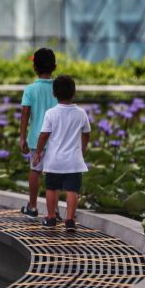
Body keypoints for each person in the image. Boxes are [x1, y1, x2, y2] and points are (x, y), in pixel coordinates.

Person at [32, 75, 91, 232]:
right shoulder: (81, 113)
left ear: (54, 94)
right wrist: (83, 148)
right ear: (74, 93)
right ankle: (70, 220)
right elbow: (86, 133)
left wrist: (38, 152)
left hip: (54, 160)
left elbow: (44, 135)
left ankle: (51, 218)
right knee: (72, 190)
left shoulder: (51, 113)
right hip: (74, 161)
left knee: (52, 188)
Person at [19, 48, 58, 218]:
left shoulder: (30, 89)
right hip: (56, 138)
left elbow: (25, 114)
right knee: (54, 174)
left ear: (34, 67)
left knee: (35, 171)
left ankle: (33, 207)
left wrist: (22, 138)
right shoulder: (59, 87)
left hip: (36, 139)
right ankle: (54, 210)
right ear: (54, 67)